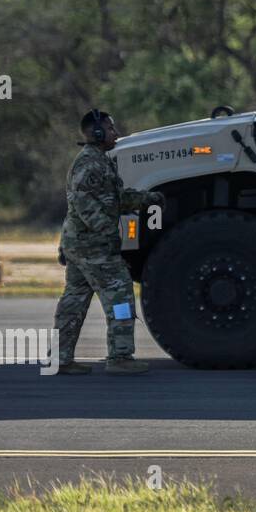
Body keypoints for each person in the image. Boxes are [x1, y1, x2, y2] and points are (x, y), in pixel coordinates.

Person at [54, 109, 162, 375]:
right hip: (93, 248)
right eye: (111, 129)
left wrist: (146, 199)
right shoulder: (90, 164)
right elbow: (82, 203)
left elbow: (113, 199)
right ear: (97, 133)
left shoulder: (100, 161)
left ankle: (61, 358)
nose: (116, 133)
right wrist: (105, 233)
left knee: (75, 300)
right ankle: (120, 356)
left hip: (79, 245)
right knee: (121, 295)